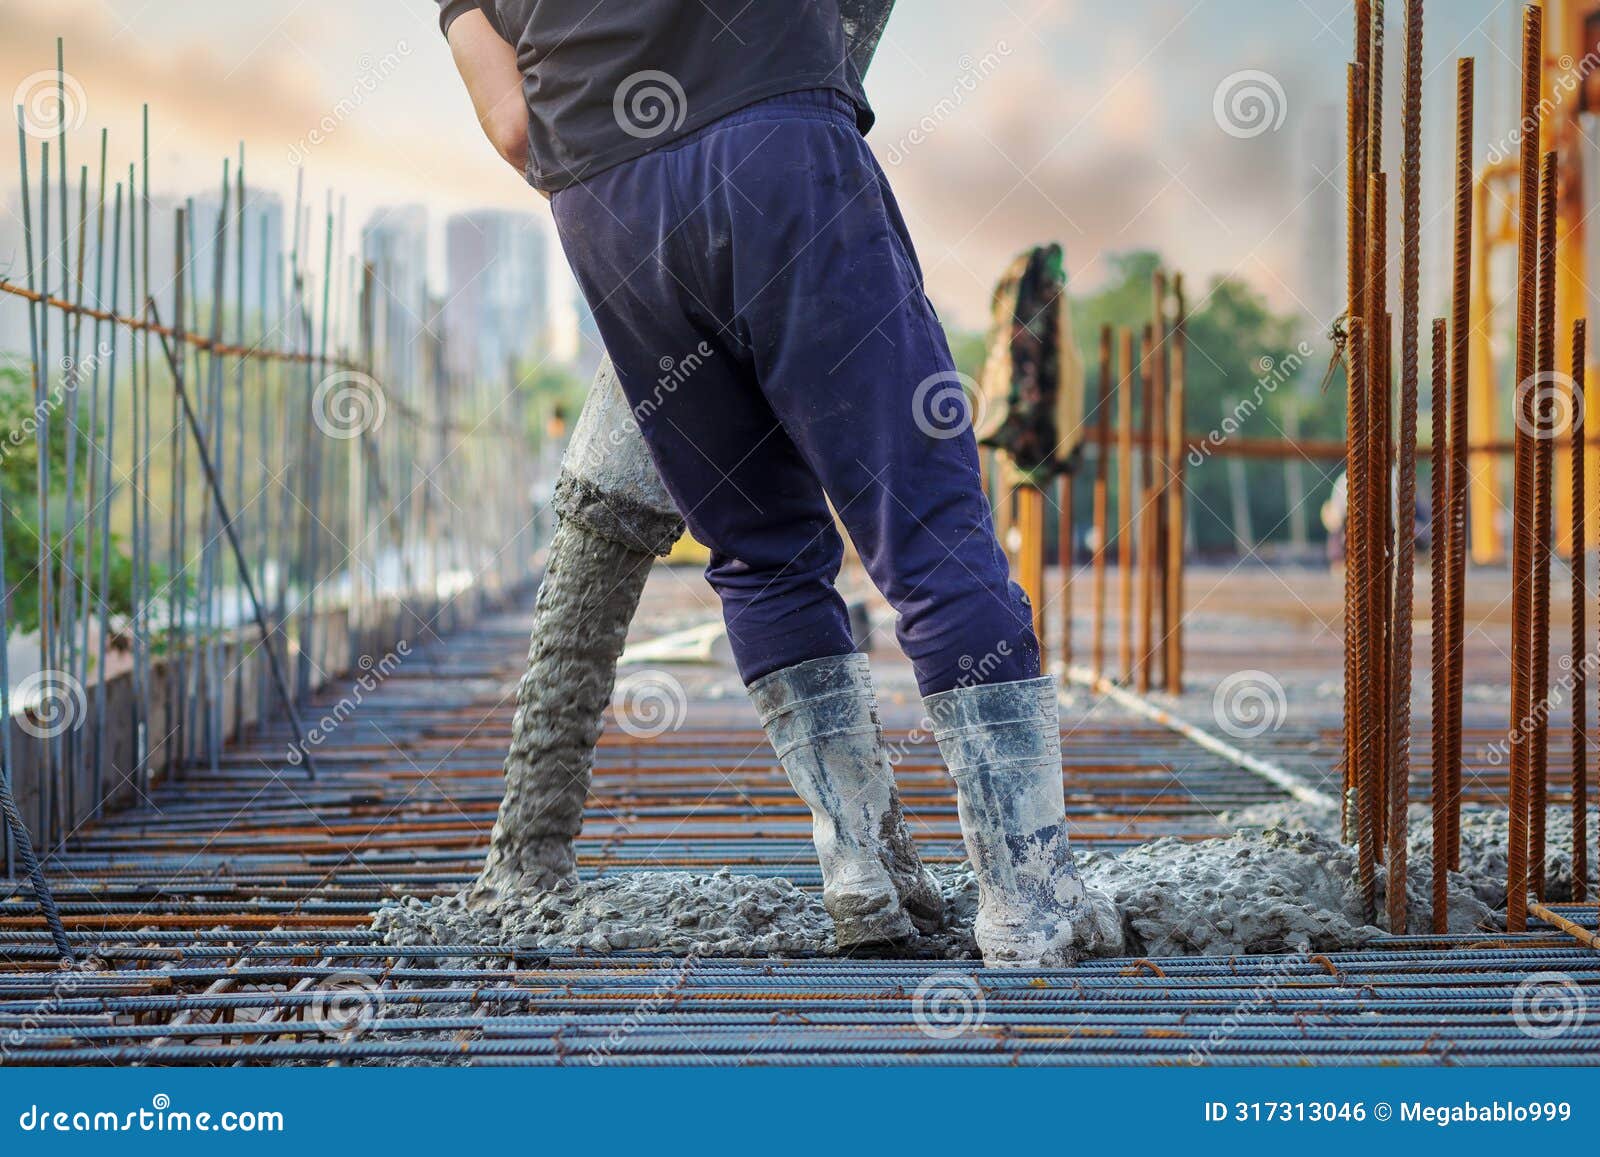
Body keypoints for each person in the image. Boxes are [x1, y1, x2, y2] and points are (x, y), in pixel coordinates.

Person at [438, 0, 1119, 966]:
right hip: (777, 143)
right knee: (925, 527)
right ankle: (1031, 900)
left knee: (756, 546)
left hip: (608, 210)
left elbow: (511, 124)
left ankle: (859, 875)